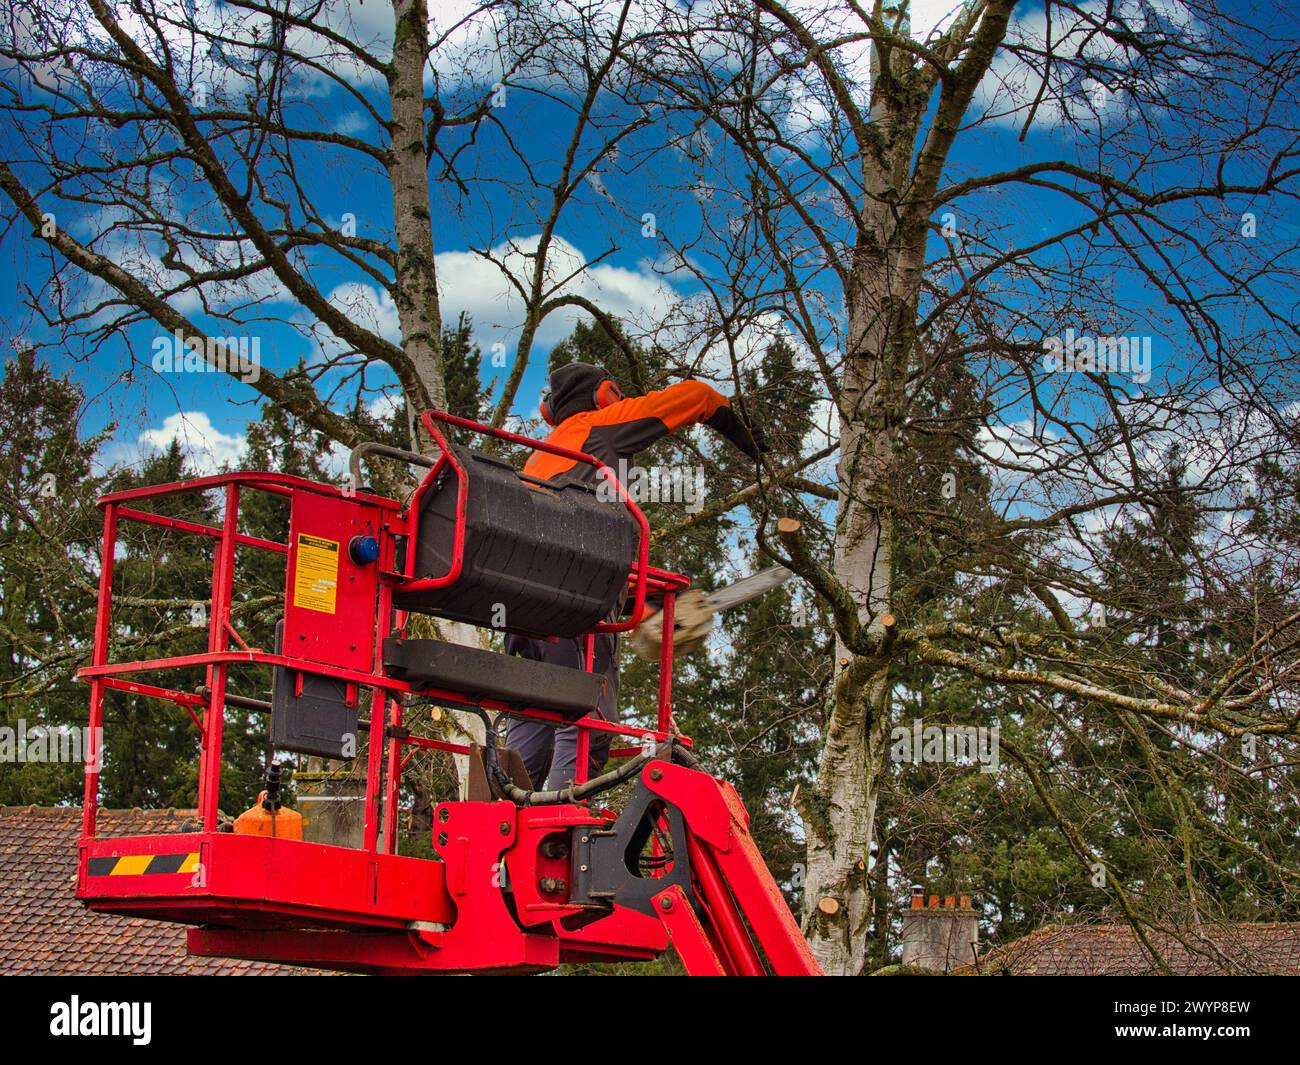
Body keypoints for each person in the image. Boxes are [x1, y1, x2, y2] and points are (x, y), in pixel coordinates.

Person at [505, 361, 765, 791]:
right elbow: (698, 396)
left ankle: (501, 816)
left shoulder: (540, 457)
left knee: (535, 713)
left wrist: (641, 605)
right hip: (571, 603)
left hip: (518, 605)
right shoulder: (598, 426)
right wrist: (753, 440)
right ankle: (556, 829)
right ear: (604, 394)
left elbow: (563, 540)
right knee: (586, 720)